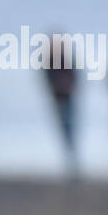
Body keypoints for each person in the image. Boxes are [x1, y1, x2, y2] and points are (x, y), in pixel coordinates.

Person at [42, 29, 78, 177]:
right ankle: (67, 159)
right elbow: (47, 78)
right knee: (63, 128)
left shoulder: (66, 58)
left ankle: (70, 160)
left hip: (67, 98)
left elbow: (74, 75)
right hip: (58, 98)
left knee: (69, 128)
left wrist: (68, 86)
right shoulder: (50, 60)